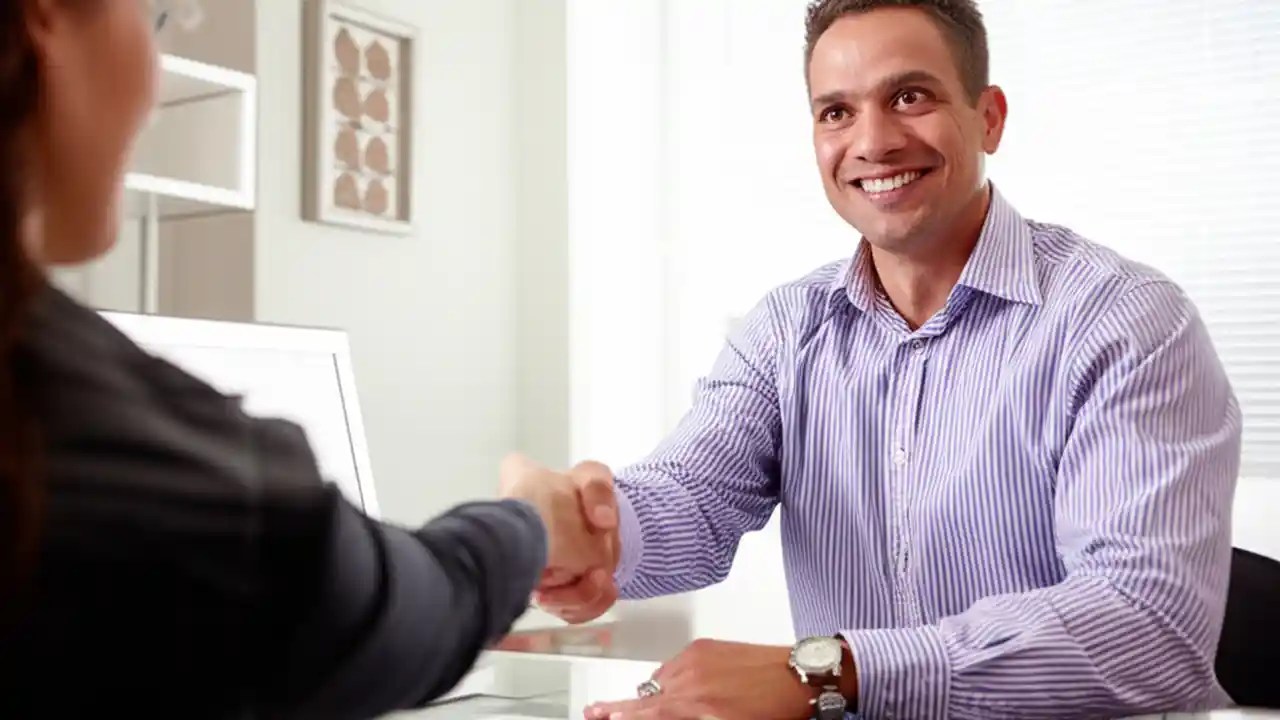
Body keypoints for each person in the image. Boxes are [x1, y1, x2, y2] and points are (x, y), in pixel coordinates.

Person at [500, 1, 1243, 718]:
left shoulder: (1126, 320)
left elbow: (1145, 627)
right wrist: (591, 530)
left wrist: (827, 672)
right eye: (836, 112)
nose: (874, 141)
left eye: (910, 96)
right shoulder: (786, 330)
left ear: (989, 117)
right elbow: (694, 494)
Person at [0, 1, 609, 716]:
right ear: (46, 17)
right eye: (156, 18)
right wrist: (530, 521)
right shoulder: (76, 428)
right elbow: (403, 608)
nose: (156, 84)